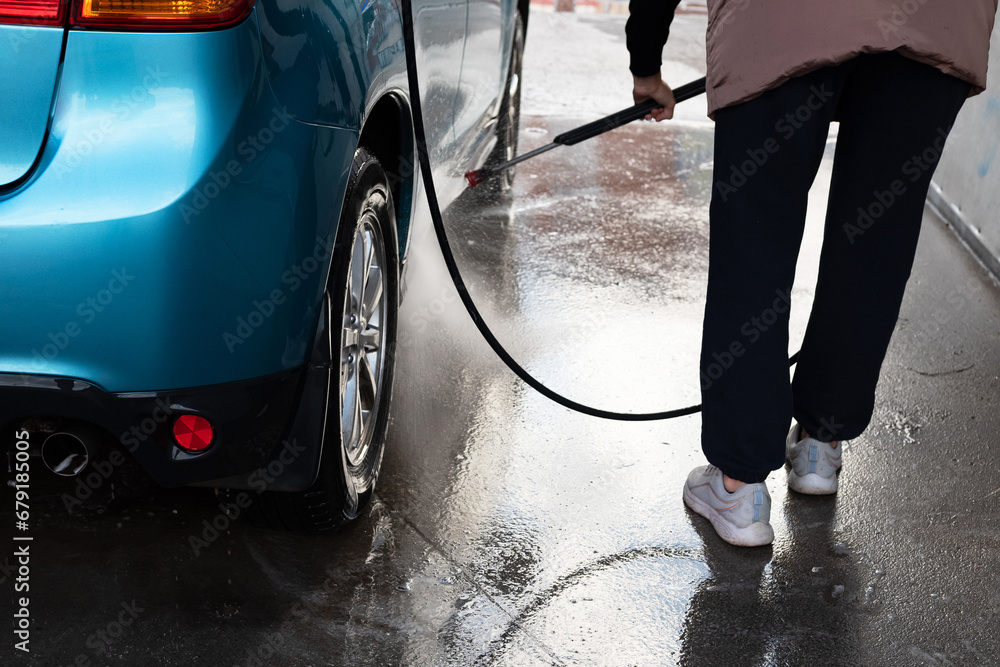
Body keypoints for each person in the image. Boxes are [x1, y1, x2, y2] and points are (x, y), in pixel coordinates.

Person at [626, 0, 997, 546]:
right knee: (875, 243)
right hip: (933, 26)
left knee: (755, 242)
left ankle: (739, 483)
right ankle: (821, 447)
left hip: (783, 20)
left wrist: (646, 63)